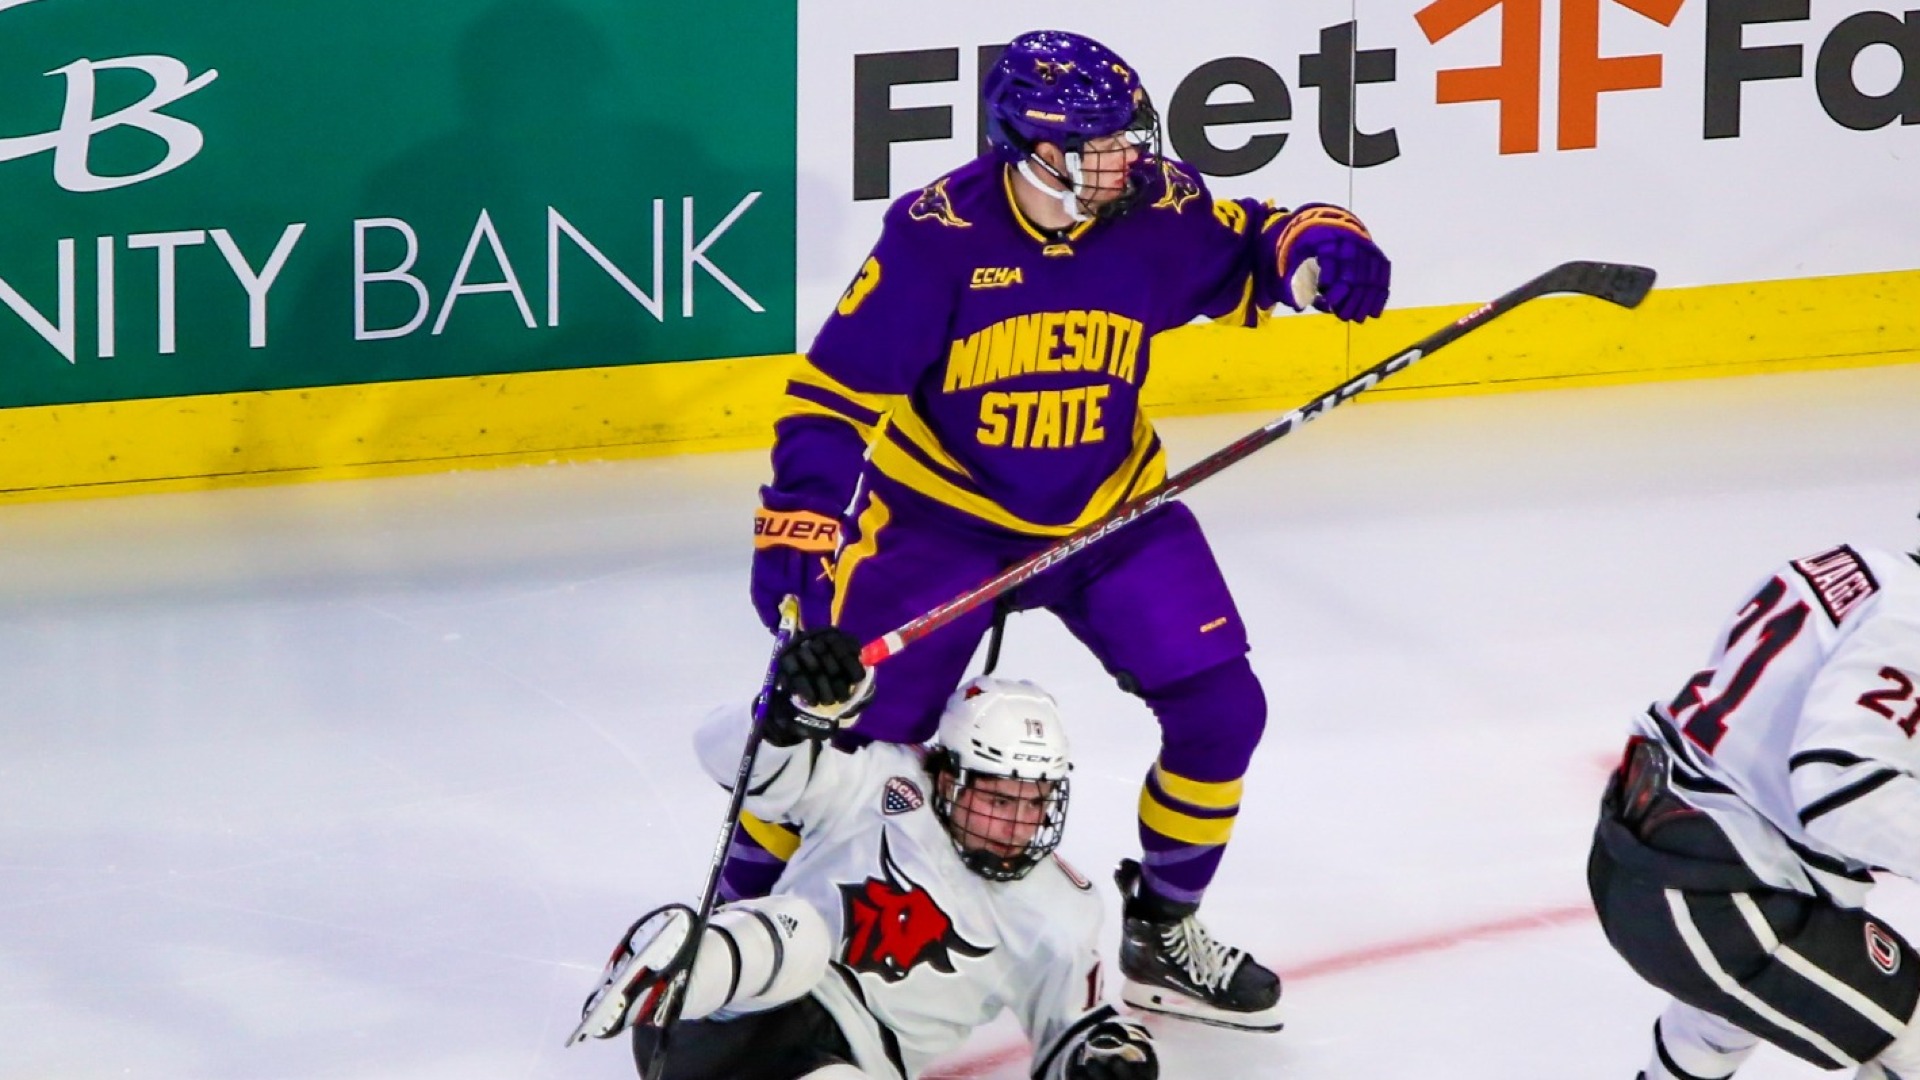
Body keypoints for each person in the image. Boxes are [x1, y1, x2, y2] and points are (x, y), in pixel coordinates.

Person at [741, 28, 1391, 1030]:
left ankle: (1163, 933)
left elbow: (1263, 238)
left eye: (1126, 139)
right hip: (941, 524)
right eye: (1095, 146)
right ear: (1023, 148)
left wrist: (1318, 252)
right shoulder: (936, 237)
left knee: (1224, 711)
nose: (1121, 162)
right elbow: (830, 404)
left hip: (1109, 517)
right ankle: (736, 928)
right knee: (829, 726)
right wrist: (799, 540)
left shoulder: (1156, 208)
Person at [577, 629, 1159, 1080]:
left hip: (841, 1062)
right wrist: (781, 720)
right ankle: (673, 977)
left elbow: (1075, 1029)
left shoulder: (1060, 909)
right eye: (998, 799)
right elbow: (727, 761)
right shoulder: (879, 782)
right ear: (948, 775)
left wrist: (1103, 1058)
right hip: (716, 1017)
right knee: (800, 930)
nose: (1016, 824)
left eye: (1034, 802)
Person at [1589, 539, 1920, 1079]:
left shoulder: (1857, 565)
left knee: (1729, 1015)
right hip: (1715, 899)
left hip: (1654, 859)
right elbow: (1839, 783)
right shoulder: (1913, 624)